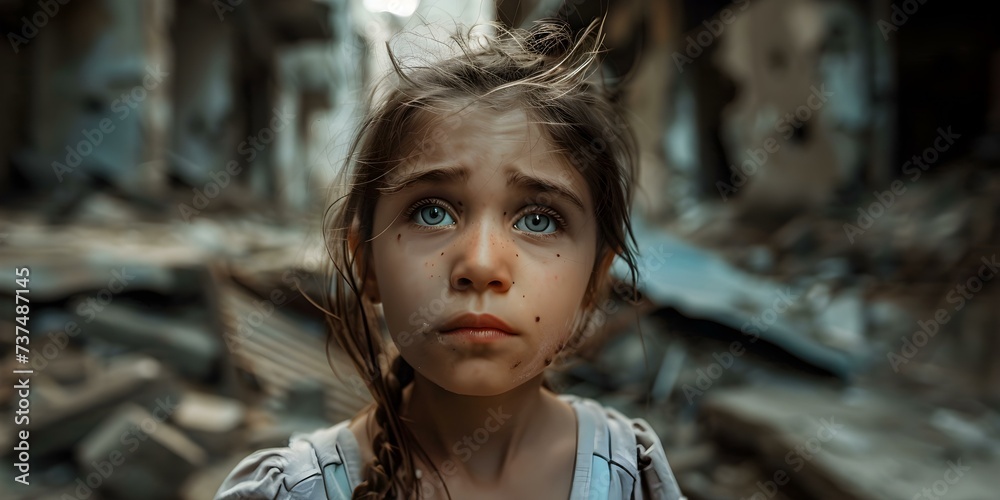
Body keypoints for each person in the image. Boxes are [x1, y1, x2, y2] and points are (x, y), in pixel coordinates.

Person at [216, 18, 684, 500]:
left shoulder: (630, 475)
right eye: (433, 212)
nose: (480, 264)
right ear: (367, 263)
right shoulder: (291, 491)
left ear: (594, 283)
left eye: (539, 220)